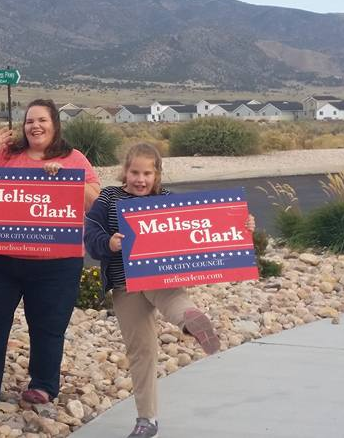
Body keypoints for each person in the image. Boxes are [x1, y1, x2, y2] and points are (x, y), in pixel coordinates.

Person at [83, 142, 255, 438]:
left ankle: (193, 321)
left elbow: (205, 225)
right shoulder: (109, 198)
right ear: (125, 171)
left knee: (172, 296)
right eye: (135, 172)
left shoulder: (167, 201)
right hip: (124, 284)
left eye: (147, 173)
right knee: (142, 351)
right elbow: (91, 234)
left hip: (159, 275)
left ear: (157, 174)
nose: (140, 179)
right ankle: (146, 419)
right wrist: (109, 244)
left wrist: (242, 224)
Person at [0, 99, 101, 408]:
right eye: (29, 121)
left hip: (57, 263)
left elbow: (96, 204)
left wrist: (67, 177)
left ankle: (43, 385)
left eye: (42, 120)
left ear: (55, 124)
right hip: (0, 258)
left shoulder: (74, 158)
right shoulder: (8, 155)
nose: (35, 126)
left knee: (48, 326)